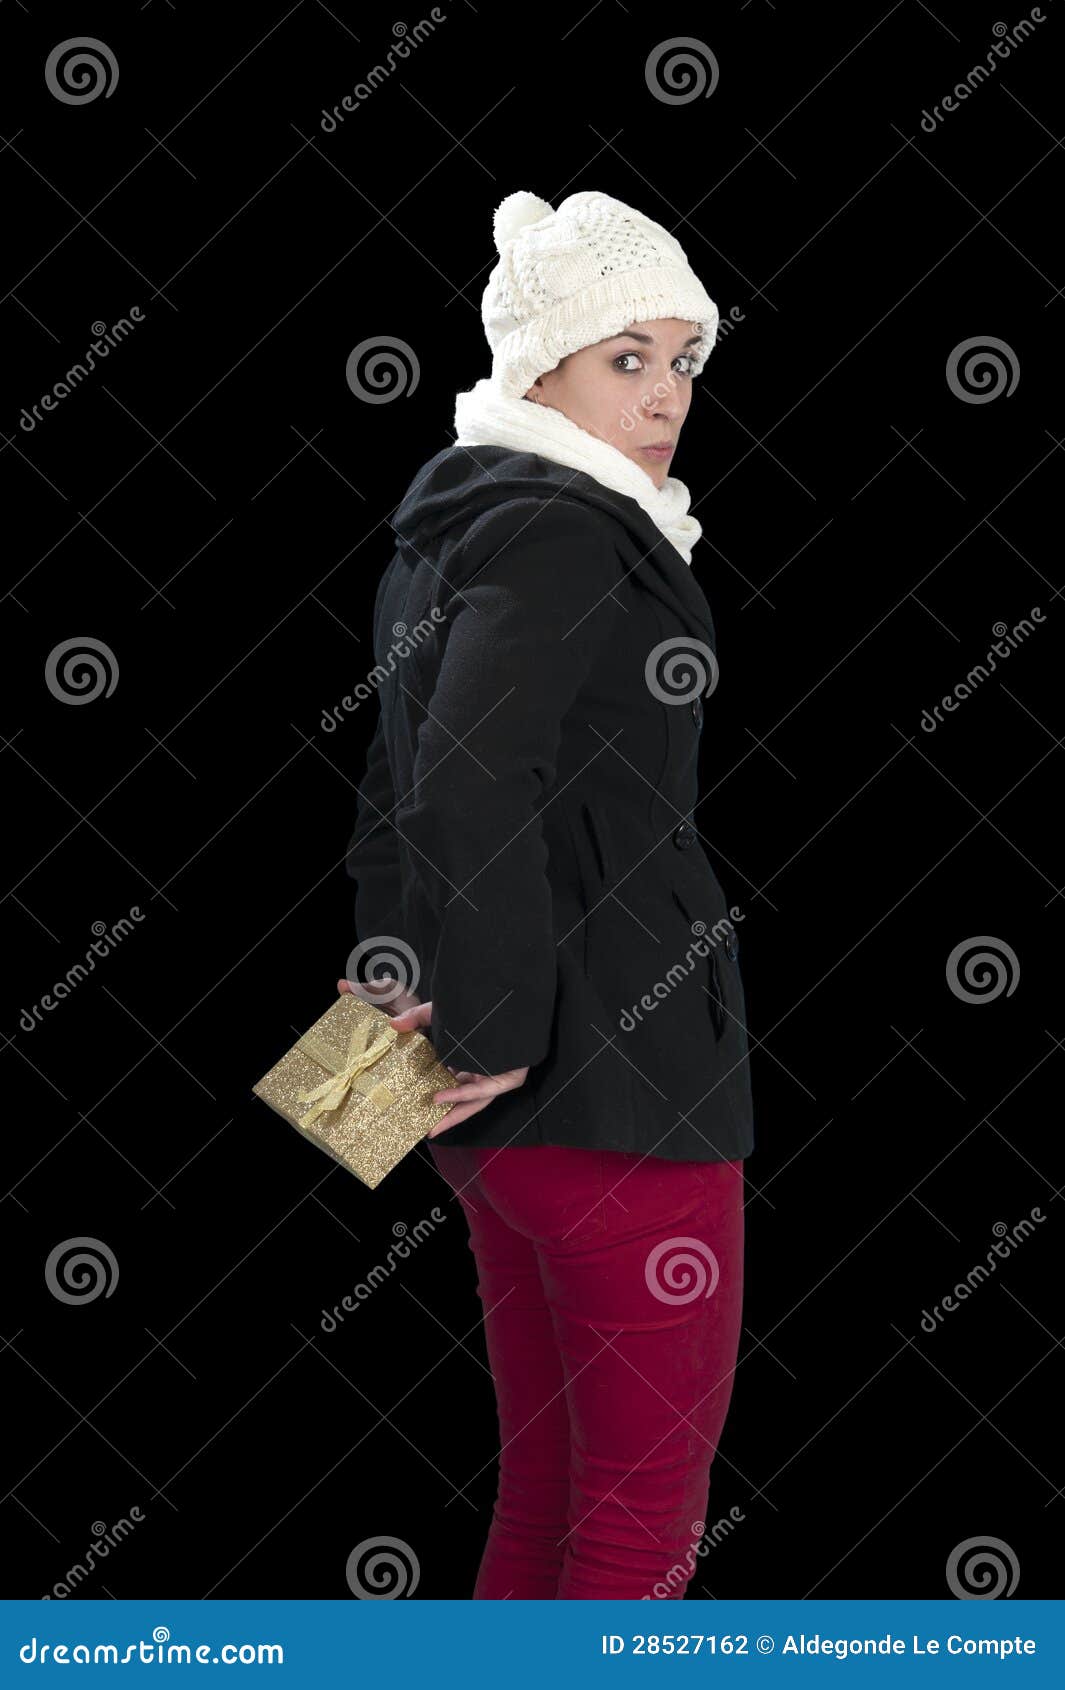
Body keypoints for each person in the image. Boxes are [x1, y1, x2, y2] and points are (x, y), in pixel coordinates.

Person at [341, 189, 755, 1599]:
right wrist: (497, 1024)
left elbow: (396, 785)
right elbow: (459, 776)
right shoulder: (571, 527)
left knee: (547, 1499)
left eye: (681, 360)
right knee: (638, 1531)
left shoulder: (441, 526)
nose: (664, 398)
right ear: (537, 370)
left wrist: (398, 989)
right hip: (615, 1087)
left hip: (490, 1105)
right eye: (623, 359)